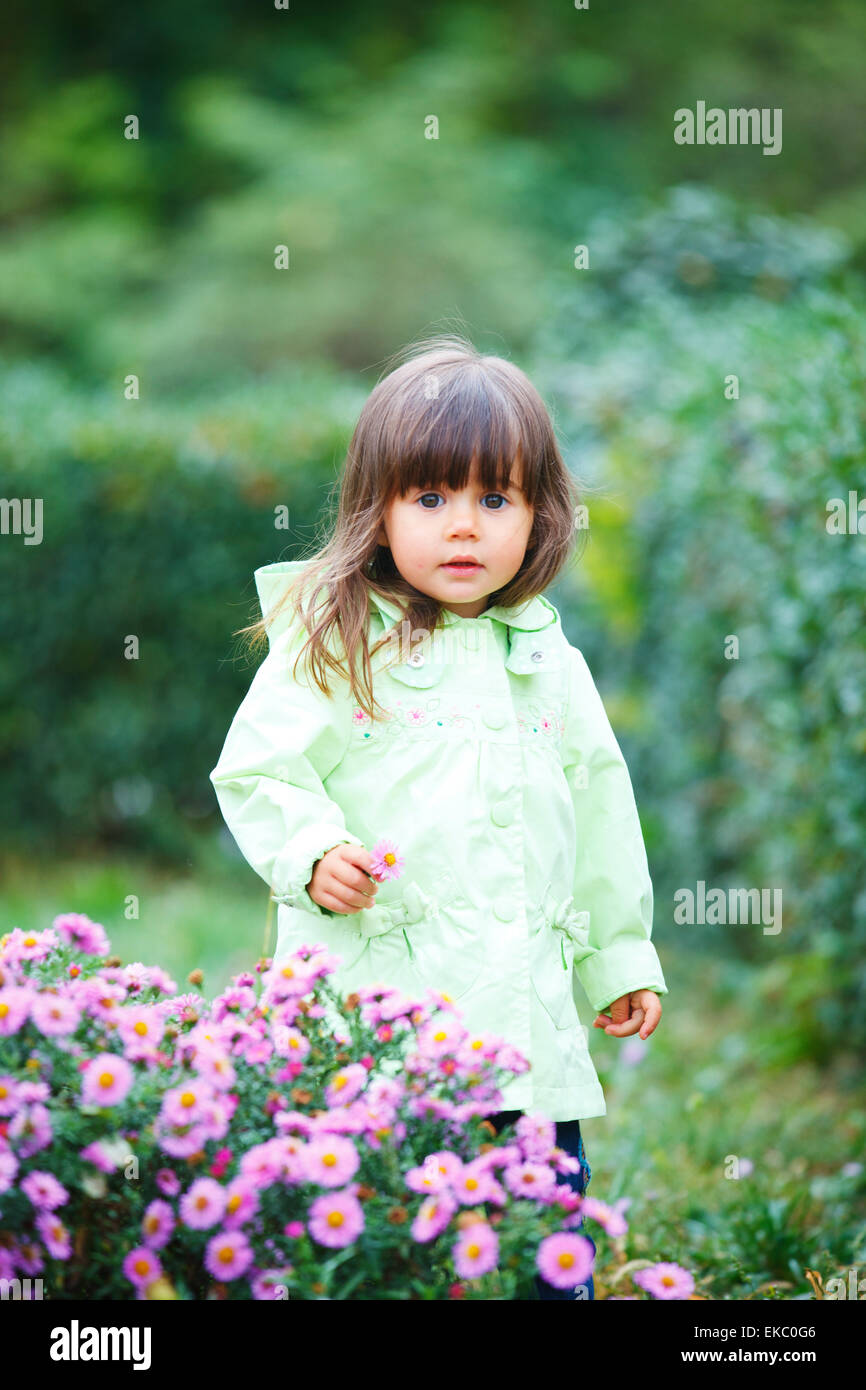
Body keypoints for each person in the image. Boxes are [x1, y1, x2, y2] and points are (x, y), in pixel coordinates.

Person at [209, 333, 668, 1301]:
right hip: (384, 1039)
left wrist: (615, 959)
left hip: (525, 1039)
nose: (463, 527)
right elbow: (259, 769)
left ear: (538, 515)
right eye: (430, 498)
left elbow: (597, 818)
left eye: (493, 499)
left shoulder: (551, 664)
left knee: (545, 1238)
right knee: (388, 1247)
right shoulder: (335, 644)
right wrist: (312, 850)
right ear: (376, 510)